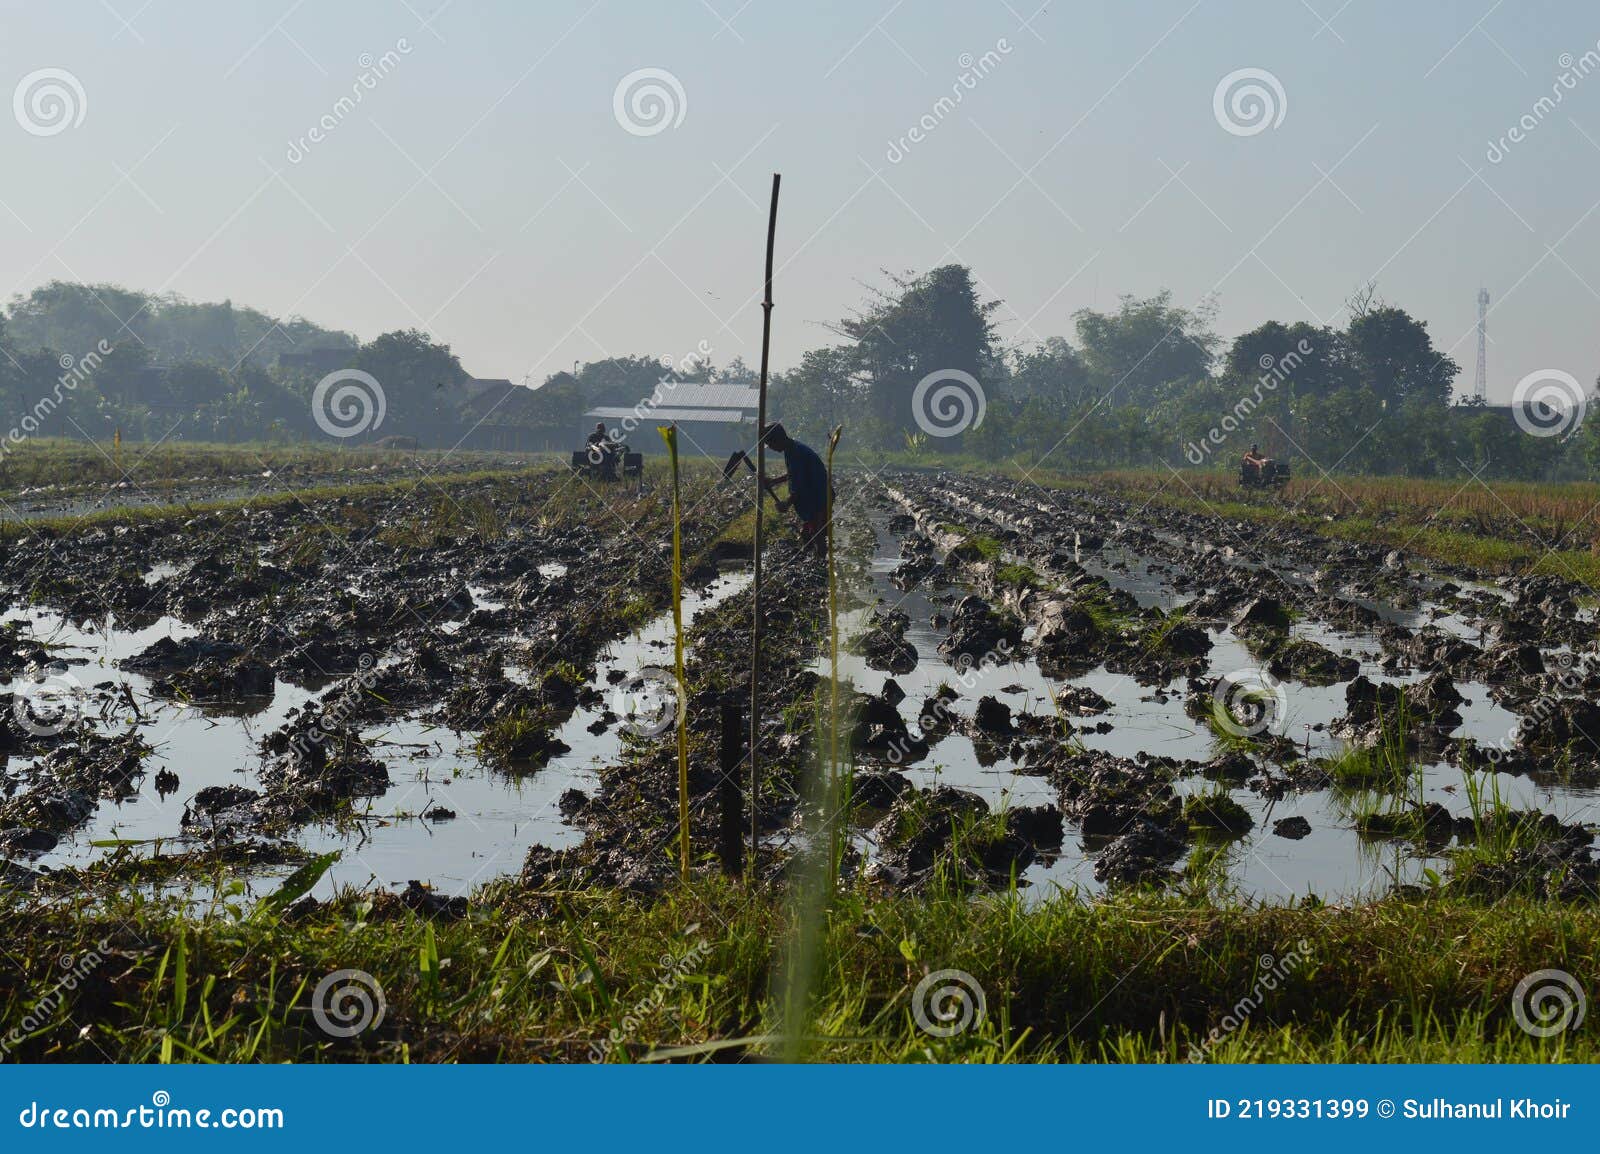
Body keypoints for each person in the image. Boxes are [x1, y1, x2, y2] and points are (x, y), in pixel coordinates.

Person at [761, 423, 830, 554]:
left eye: (770, 444)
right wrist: (774, 481)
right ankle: (811, 558)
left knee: (817, 534)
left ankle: (821, 565)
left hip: (818, 498)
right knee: (806, 534)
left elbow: (800, 487)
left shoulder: (796, 453)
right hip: (813, 497)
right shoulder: (791, 449)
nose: (770, 448)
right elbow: (793, 474)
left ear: (778, 440)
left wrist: (786, 503)